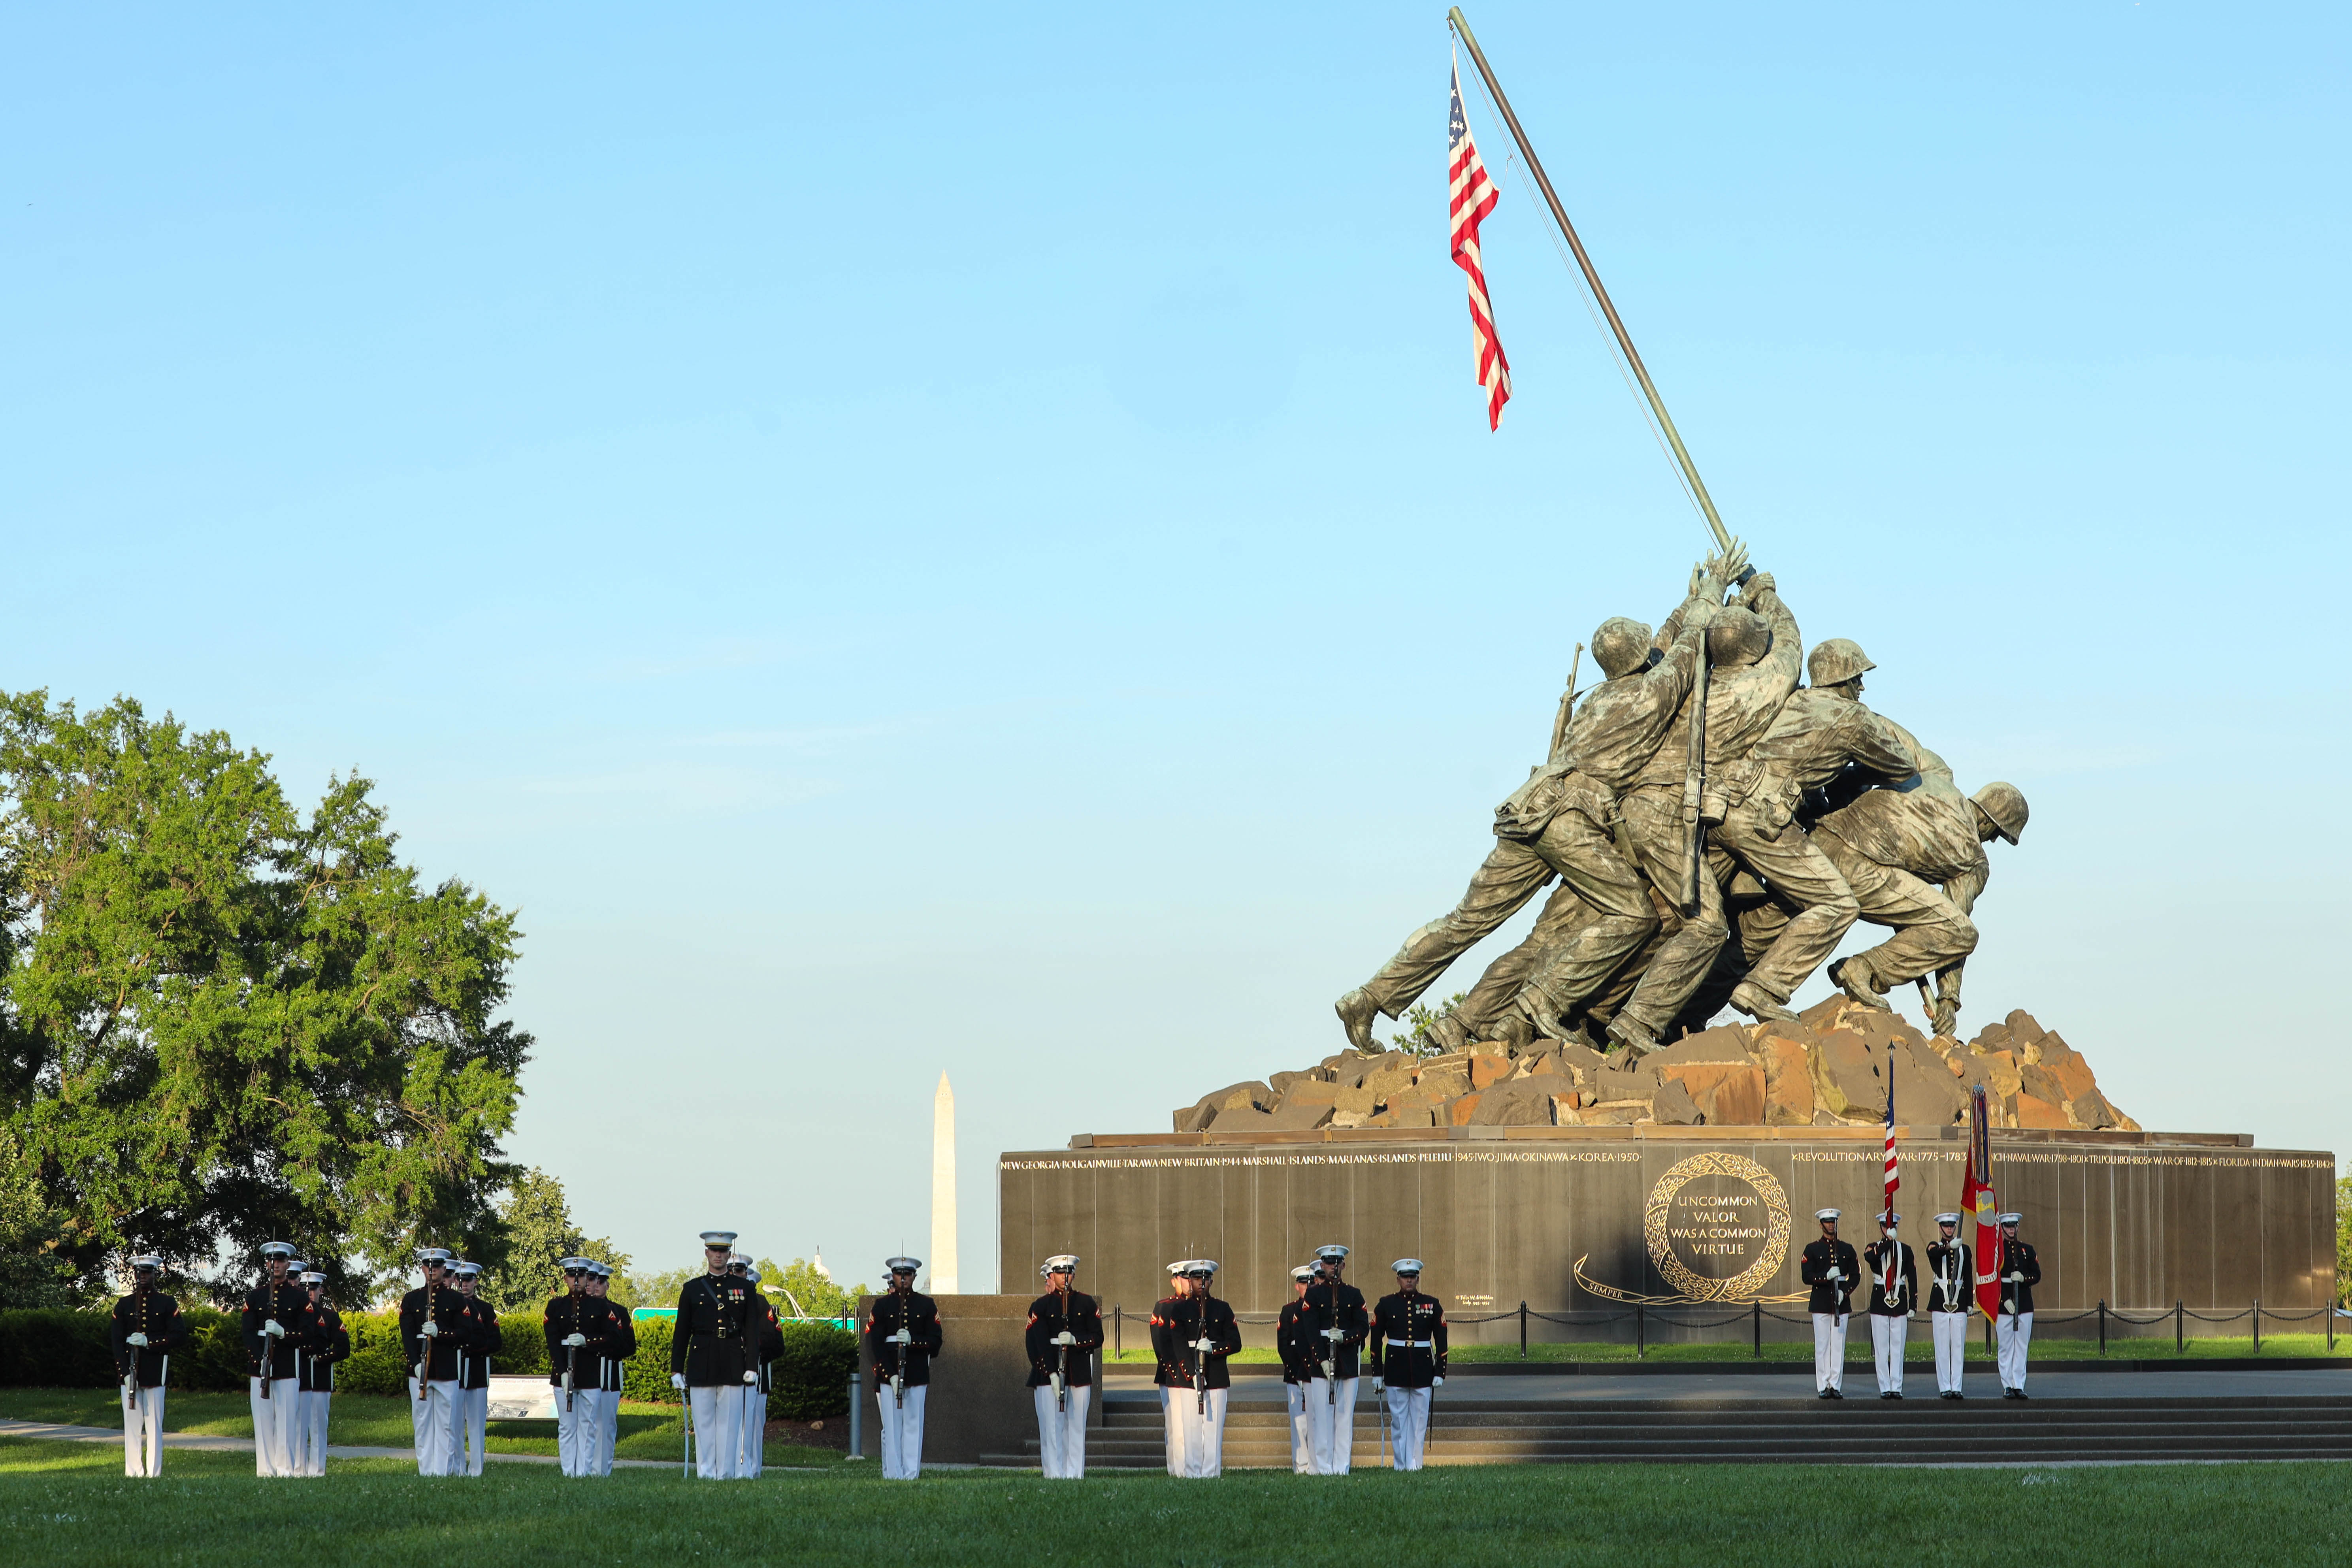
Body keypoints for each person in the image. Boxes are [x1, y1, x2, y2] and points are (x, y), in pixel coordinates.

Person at [1333, 549, 1744, 1054]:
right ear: (1640, 657)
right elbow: (1683, 653)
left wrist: (1688, 601)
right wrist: (1711, 592)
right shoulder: (1648, 698)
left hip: (1527, 809)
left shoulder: (1601, 697)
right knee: (1635, 914)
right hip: (1566, 820)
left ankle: (1370, 995)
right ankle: (1545, 1001)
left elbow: (1664, 645)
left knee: (1466, 919)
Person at [1611, 570, 1804, 1048]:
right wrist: (1765, 594)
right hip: (1668, 814)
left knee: (1662, 917)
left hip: (1635, 813)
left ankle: (1624, 1011)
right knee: (1707, 924)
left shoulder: (1682, 685)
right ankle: (1637, 1018)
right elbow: (1792, 651)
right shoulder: (1751, 691)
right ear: (1755, 651)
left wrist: (1698, 599)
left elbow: (1655, 653)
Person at [673, 1231, 766, 1479]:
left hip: (732, 1358)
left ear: (728, 1254)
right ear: (706, 1253)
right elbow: (681, 1332)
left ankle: (725, 1473)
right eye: (714, 1250)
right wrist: (676, 1369)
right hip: (701, 1358)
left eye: (723, 1251)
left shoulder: (744, 1288)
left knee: (729, 1425)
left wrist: (751, 1367)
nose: (718, 1255)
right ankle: (706, 1473)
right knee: (703, 1425)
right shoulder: (692, 1289)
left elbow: (751, 1331)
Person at [1150, 1261, 1240, 1479]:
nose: (1202, 1283)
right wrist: (1191, 1374)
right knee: (1190, 1429)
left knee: (1213, 1430)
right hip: (1187, 1376)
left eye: (1206, 1279)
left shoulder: (1222, 1308)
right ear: (1190, 1281)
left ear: (1211, 1280)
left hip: (1217, 1374)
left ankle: (1211, 1474)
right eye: (1197, 1279)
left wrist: (1215, 1348)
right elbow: (1179, 1344)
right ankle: (1191, 1473)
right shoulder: (1180, 1309)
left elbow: (1235, 1343)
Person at [863, 1256, 943, 1480]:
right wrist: (889, 1375)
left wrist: (913, 1340)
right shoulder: (882, 1306)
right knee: (892, 1427)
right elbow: (874, 1343)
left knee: (913, 1427)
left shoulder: (927, 1305)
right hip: (889, 1373)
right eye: (899, 1274)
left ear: (914, 1277)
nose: (903, 1278)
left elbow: (936, 1342)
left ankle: (910, 1474)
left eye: (908, 1274)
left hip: (916, 1371)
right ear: (894, 1276)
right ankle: (893, 1475)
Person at [109, 1255, 187, 1479]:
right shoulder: (124, 1305)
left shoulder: (166, 1303)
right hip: (131, 1373)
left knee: (154, 1426)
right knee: (132, 1426)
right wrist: (123, 1373)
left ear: (155, 1275)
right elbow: (116, 1341)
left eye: (147, 1273)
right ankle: (133, 1472)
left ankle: (154, 1473)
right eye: (140, 1273)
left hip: (155, 1371)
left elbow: (179, 1336)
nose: (143, 1277)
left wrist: (150, 1343)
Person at [1369, 1259, 1447, 1472]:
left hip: (1423, 1367)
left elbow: (1441, 1337)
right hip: (1396, 1367)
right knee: (1399, 1421)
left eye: (1412, 1276)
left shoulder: (1431, 1304)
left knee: (1419, 1421)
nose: (1409, 1280)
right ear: (1398, 1279)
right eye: (1405, 1277)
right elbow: (1376, 1339)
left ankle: (1415, 1464)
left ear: (1418, 1278)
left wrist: (1440, 1370)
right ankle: (1401, 1464)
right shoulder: (1386, 1304)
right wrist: (1377, 1372)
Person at [244, 1241, 313, 1476]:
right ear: (267, 1263)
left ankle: (285, 1471)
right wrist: (257, 1359)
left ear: (288, 1264)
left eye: (281, 1261)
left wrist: (285, 1334)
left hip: (286, 1366)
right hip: (260, 1366)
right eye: (272, 1261)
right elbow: (247, 1332)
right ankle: (265, 1471)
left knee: (285, 1423)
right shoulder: (255, 1297)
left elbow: (308, 1333)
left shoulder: (299, 1298)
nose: (276, 1265)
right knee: (263, 1423)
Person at [1300, 1244, 1368, 1474]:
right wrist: (1321, 1361)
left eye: (1337, 1263)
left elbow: (1363, 1327)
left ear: (1344, 1266)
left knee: (1344, 1416)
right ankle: (1324, 1466)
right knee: (1322, 1416)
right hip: (1322, 1362)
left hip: (1348, 1360)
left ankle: (1341, 1467)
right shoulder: (1313, 1294)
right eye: (1329, 1263)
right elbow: (1310, 1330)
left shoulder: (1354, 1294)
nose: (1334, 1267)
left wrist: (1346, 1336)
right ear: (1322, 1266)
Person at [399, 1247, 462, 1476]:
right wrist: (415, 1363)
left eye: (437, 1266)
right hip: (419, 1371)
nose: (432, 1270)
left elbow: (465, 1333)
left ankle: (443, 1472)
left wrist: (440, 1332)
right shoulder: (411, 1299)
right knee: (423, 1424)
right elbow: (407, 1335)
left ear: (444, 1269)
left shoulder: (455, 1300)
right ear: (423, 1269)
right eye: (428, 1266)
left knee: (446, 1425)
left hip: (445, 1370)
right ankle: (426, 1472)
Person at [545, 1257, 601, 1477]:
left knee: (587, 1428)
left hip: (589, 1374)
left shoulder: (599, 1306)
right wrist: (562, 1372)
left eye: (580, 1276)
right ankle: (569, 1472)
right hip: (563, 1375)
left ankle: (584, 1472)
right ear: (565, 1278)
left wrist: (589, 1341)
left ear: (587, 1278)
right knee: (567, 1427)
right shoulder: (556, 1306)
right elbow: (552, 1342)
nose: (576, 1280)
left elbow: (613, 1338)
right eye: (571, 1276)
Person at [291, 1270, 348, 1478]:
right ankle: (298, 1471)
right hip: (300, 1378)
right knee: (298, 1428)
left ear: (320, 1290)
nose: (310, 1294)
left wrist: (322, 1357)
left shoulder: (330, 1317)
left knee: (317, 1428)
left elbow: (343, 1349)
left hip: (321, 1380)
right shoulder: (295, 1315)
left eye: (313, 1289)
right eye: (305, 1290)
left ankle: (317, 1471)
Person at [447, 1260, 501, 1476]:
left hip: (477, 1371)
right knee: (455, 1424)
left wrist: (473, 1347)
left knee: (477, 1425)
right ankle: (459, 1468)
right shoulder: (450, 1306)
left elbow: (496, 1342)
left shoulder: (486, 1310)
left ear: (476, 1281)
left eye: (468, 1280)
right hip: (456, 1372)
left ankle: (477, 1469)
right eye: (459, 1280)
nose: (463, 1284)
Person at [1799, 1209, 1859, 1399]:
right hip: (1821, 1302)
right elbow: (1806, 1277)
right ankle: (1823, 1385)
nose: (1831, 1225)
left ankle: (1835, 1384)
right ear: (1821, 1225)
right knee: (1823, 1345)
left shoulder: (1847, 1249)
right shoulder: (1812, 1249)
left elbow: (1856, 1276)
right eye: (1827, 1222)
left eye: (1833, 1222)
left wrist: (1844, 1292)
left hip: (1841, 1303)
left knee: (1838, 1346)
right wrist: (1825, 1277)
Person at [581, 1262, 634, 1475]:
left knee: (606, 1424)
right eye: (591, 1280)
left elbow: (629, 1346)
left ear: (607, 1285)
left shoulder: (618, 1312)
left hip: (609, 1372)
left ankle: (602, 1470)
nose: (595, 1285)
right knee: (585, 1423)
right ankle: (582, 1469)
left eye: (600, 1281)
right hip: (585, 1371)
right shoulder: (579, 1310)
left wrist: (603, 1346)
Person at [1862, 1214, 1917, 1399]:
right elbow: (1871, 1258)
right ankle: (1885, 1386)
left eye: (1892, 1226)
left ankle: (1897, 1386)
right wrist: (1888, 1241)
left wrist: (1913, 1304)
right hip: (1880, 1301)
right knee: (1882, 1348)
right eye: (1885, 1226)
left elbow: (1912, 1278)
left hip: (1899, 1301)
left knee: (1898, 1347)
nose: (1888, 1228)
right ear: (1881, 1227)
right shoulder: (1874, 1247)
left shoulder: (1906, 1250)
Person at [1275, 1263, 1319, 1474]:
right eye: (1304, 1283)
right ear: (1297, 1286)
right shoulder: (1289, 1311)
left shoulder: (1321, 1308)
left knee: (1319, 1422)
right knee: (1300, 1424)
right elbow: (1284, 1347)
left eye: (1312, 1282)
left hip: (1318, 1374)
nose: (1308, 1286)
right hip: (1296, 1376)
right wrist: (1297, 1374)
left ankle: (1317, 1465)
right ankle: (1301, 1467)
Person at [1924, 1213, 1973, 1399]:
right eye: (1946, 1226)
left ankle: (1957, 1386)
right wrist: (1948, 1247)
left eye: (1952, 1226)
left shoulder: (1965, 1250)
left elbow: (1967, 1277)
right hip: (1940, 1301)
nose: (1950, 1229)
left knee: (1958, 1346)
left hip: (1959, 1301)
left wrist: (1969, 1302)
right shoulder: (1935, 1246)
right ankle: (1945, 1386)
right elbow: (1934, 1254)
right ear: (1940, 1228)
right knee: (1943, 1346)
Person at [1994, 1213, 2041, 1399]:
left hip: (2024, 1303)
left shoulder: (2027, 1250)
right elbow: (1993, 1279)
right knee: (2005, 1346)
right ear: (2003, 1229)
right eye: (2008, 1227)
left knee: (2022, 1346)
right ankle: (2007, 1385)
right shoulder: (1998, 1252)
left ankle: (2018, 1384)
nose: (2011, 1230)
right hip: (2004, 1304)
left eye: (2014, 1226)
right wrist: (2004, 1299)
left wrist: (2024, 1278)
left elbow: (2037, 1275)